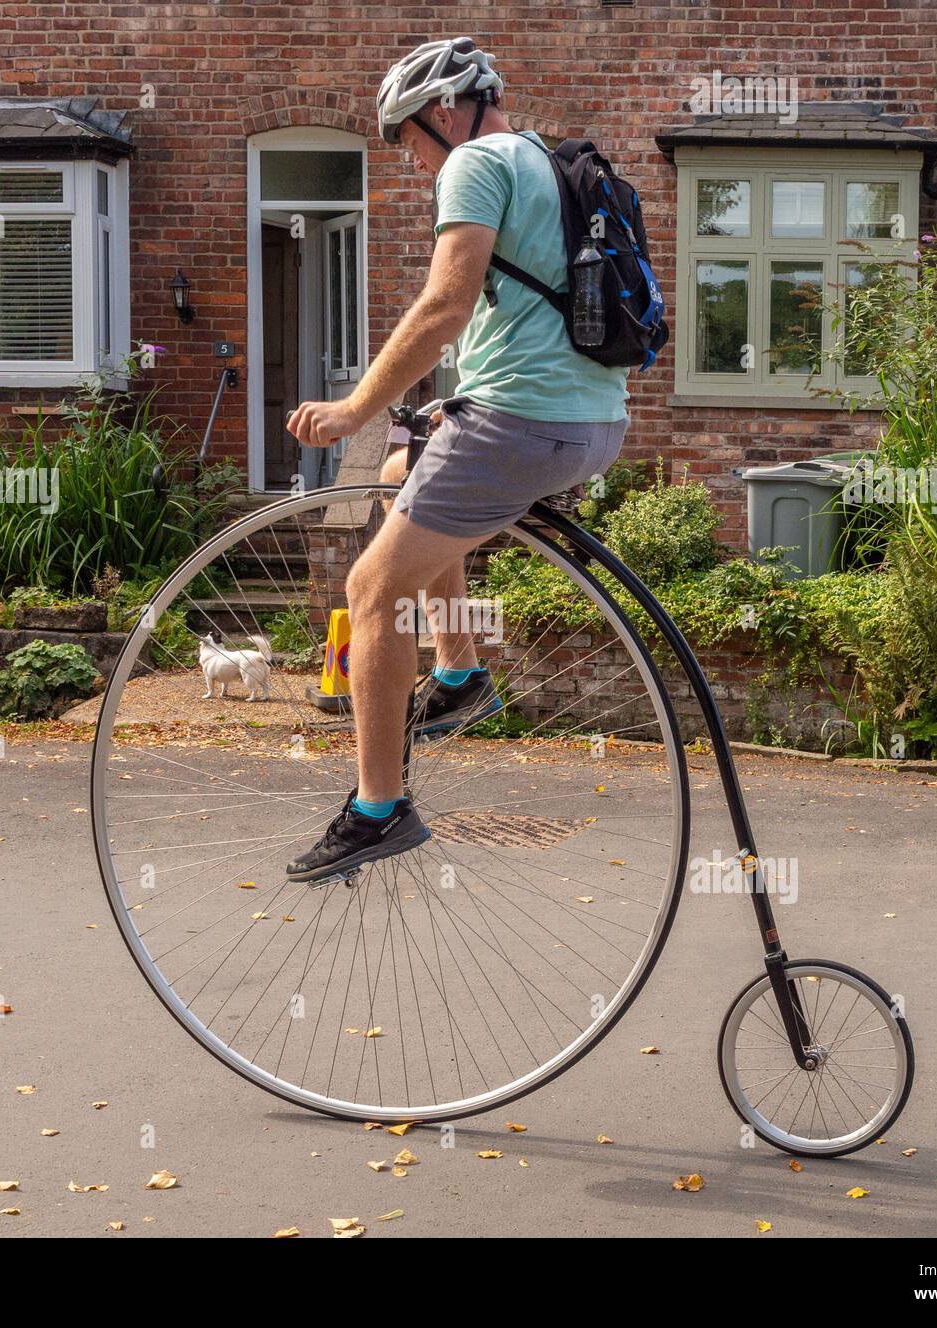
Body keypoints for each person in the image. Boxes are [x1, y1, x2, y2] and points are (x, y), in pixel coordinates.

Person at [284, 36, 630, 883]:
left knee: (369, 587)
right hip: (593, 424)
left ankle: (378, 807)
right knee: (409, 476)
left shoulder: (474, 164)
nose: (409, 160)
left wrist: (355, 406)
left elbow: (446, 303)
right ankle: (462, 670)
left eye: (406, 137)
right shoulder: (550, 166)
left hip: (523, 424)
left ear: (445, 112)